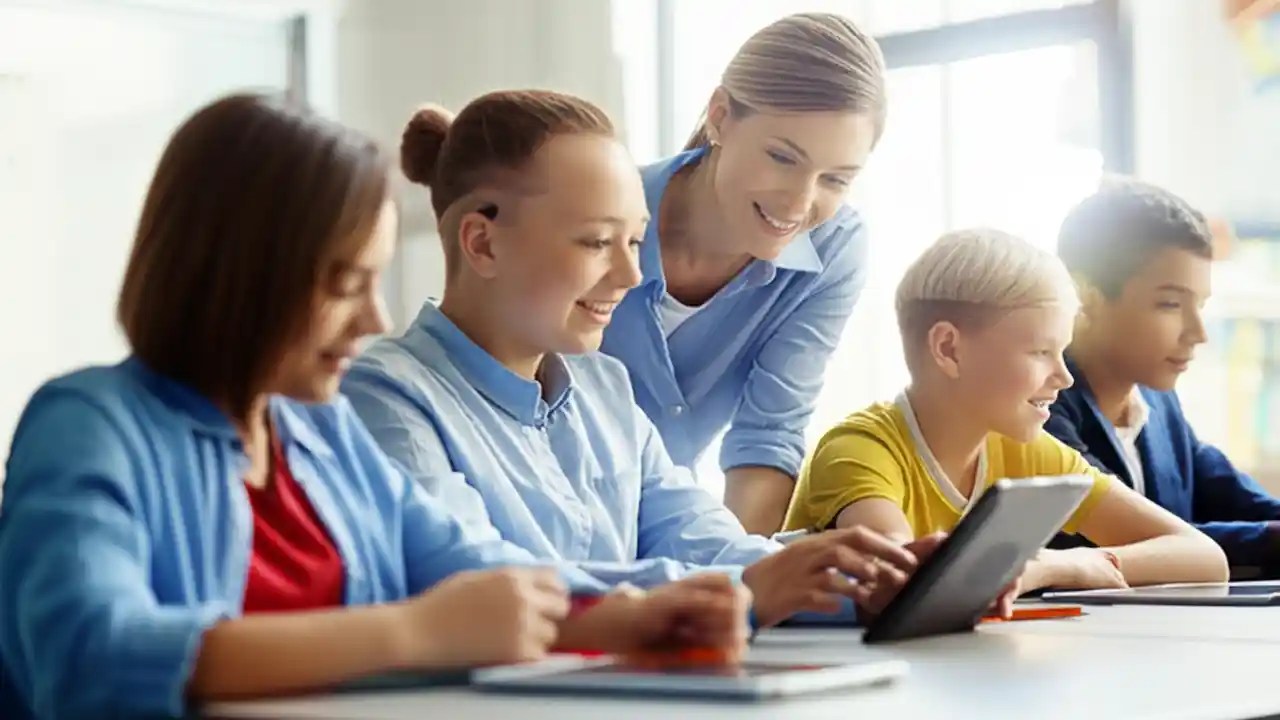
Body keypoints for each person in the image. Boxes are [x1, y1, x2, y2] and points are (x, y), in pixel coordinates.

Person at [0, 94, 749, 720]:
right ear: (240, 276)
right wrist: (408, 634)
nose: (372, 322)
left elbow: (467, 568)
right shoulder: (90, 425)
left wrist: (633, 618)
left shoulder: (317, 432)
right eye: (344, 285)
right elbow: (90, 658)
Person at [343, 89, 931, 630]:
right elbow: (483, 585)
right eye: (599, 242)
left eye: (634, 242)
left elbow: (705, 540)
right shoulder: (386, 398)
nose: (630, 275)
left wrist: (876, 583)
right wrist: (744, 592)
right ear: (483, 242)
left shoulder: (605, 390)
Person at [783, 228, 1229, 594]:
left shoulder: (1027, 452)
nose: (1064, 377)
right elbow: (912, 582)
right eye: (1040, 352)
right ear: (948, 348)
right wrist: (1049, 567)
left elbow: (1205, 557)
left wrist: (1067, 564)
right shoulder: (858, 451)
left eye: (1062, 352)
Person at [599, 12, 887, 534]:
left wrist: (744, 583)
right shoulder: (602, 210)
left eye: (836, 179)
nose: (800, 203)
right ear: (721, 116)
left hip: (666, 534)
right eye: (782, 157)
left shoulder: (834, 248)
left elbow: (769, 433)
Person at [1046, 177, 1280, 569]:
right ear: (1086, 299)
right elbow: (1152, 541)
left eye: (1200, 305)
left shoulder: (1156, 400)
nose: (1198, 334)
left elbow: (1228, 492)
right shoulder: (1041, 410)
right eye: (1170, 304)